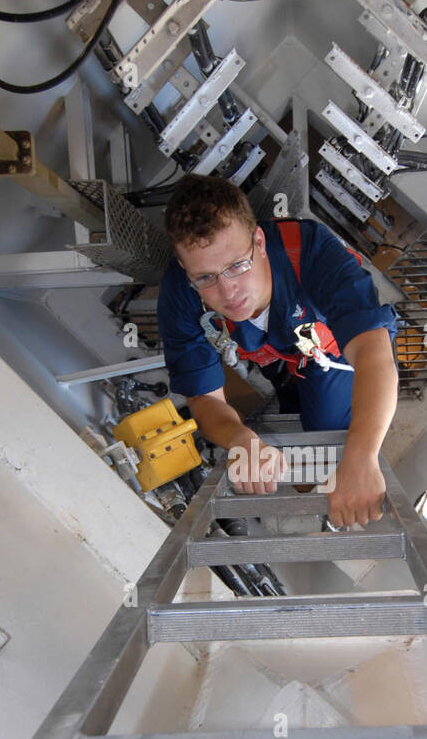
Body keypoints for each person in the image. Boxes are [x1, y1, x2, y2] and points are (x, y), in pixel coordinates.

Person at [156, 175, 399, 527]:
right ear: (185, 268)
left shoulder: (310, 250)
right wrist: (240, 438)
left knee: (329, 442)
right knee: (289, 397)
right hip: (271, 356)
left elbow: (373, 353)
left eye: (237, 266)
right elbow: (203, 397)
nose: (228, 292)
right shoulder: (180, 293)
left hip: (329, 355)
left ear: (259, 241)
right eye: (206, 278)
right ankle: (292, 392)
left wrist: (362, 458)